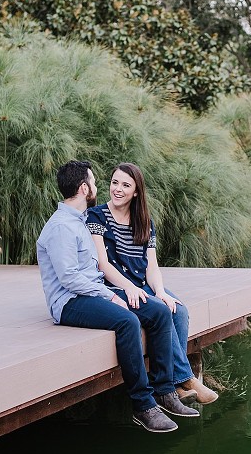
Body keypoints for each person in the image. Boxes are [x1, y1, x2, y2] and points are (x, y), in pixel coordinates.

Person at [36, 160, 199, 433]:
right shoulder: (62, 227)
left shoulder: (81, 220)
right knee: (128, 322)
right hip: (69, 302)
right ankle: (142, 404)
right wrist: (110, 296)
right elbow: (70, 279)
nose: (101, 187)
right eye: (96, 182)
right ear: (84, 188)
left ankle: (165, 390)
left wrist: (122, 292)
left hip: (92, 291)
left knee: (159, 311)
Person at [87, 162, 218, 404]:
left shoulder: (144, 221)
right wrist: (129, 287)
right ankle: (184, 379)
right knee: (160, 312)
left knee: (177, 309)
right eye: (115, 182)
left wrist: (160, 292)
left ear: (136, 191)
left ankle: (179, 383)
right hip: (114, 287)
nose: (118, 189)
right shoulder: (96, 216)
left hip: (142, 285)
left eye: (126, 185)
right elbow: (102, 264)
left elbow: (152, 266)